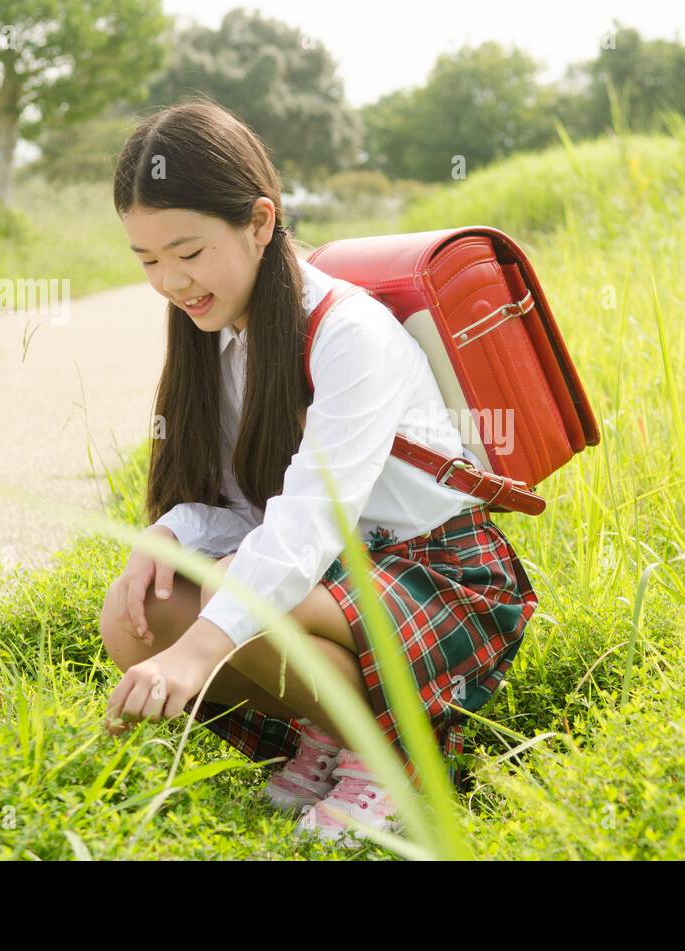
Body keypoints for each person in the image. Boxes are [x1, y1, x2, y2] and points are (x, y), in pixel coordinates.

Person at [97, 96, 539, 845]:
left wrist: (198, 654)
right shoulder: (219, 336)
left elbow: (307, 523)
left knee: (218, 597)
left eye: (190, 252)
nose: (172, 282)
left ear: (260, 222)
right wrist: (170, 531)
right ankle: (331, 732)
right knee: (139, 611)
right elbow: (247, 506)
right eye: (148, 261)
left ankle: (395, 759)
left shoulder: (350, 332)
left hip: (441, 573)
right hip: (343, 572)